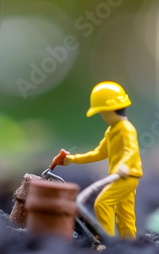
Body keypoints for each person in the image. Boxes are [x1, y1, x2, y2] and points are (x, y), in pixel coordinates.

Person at [55, 81, 143, 239]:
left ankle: (106, 239)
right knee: (124, 213)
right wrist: (73, 159)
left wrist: (123, 165)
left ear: (110, 109)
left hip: (127, 175)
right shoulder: (111, 131)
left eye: (102, 112)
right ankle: (129, 244)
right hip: (122, 176)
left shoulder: (126, 129)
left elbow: (131, 151)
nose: (103, 117)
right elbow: (98, 153)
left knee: (102, 203)